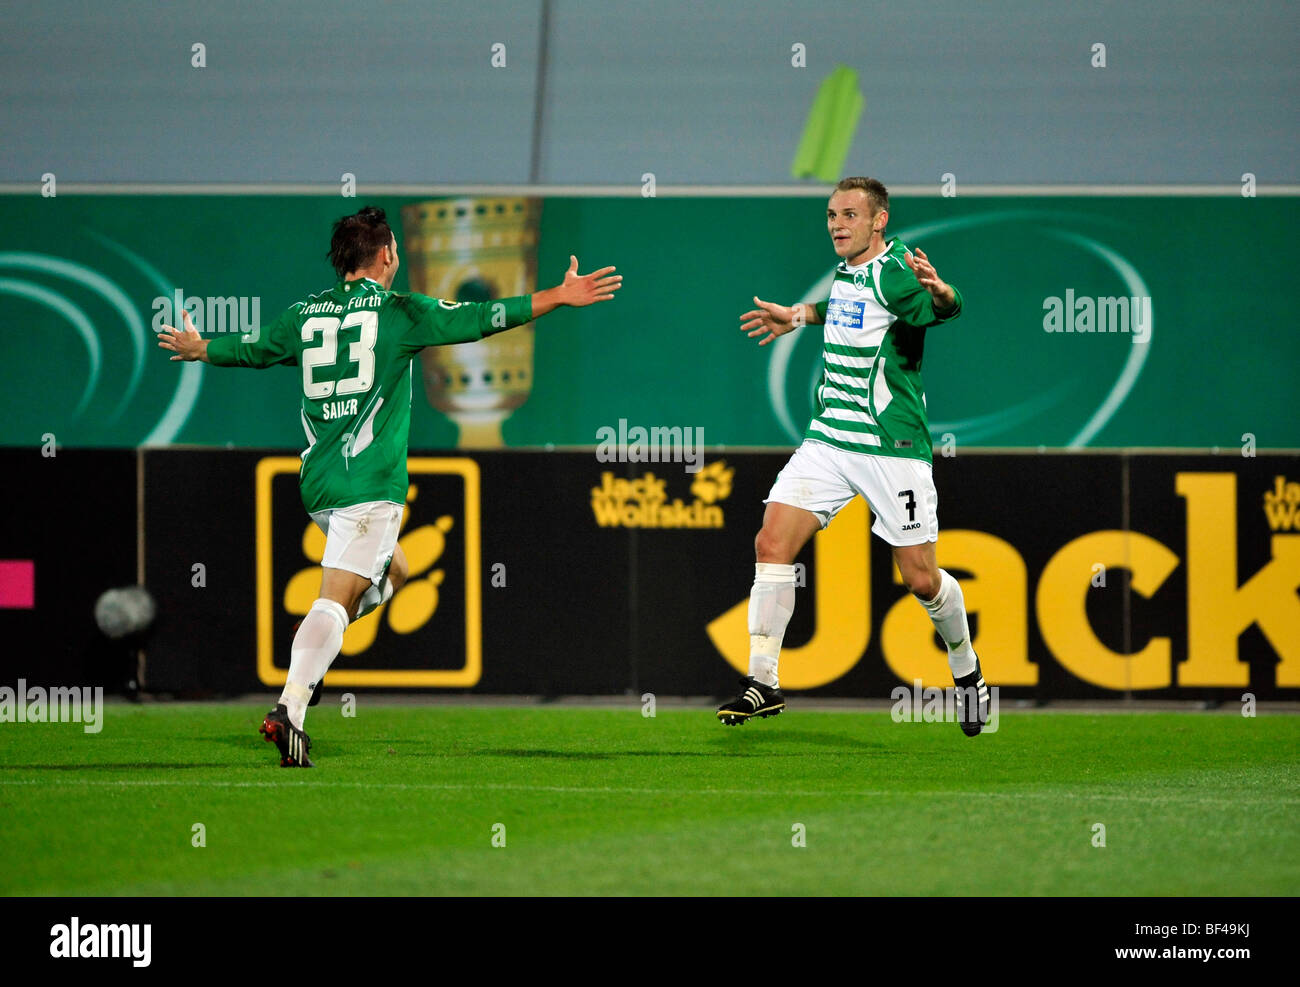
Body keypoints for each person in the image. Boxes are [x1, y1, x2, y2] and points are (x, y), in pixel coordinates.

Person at [158, 205, 621, 765]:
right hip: (368, 484)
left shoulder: (304, 316)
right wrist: (556, 296)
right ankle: (292, 706)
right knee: (335, 599)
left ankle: (315, 656)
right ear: (386, 256)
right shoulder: (402, 313)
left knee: (396, 570)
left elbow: (254, 351)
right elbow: (482, 316)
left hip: (322, 484)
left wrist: (201, 347)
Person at [719, 177, 988, 735]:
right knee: (771, 541)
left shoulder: (895, 273)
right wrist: (796, 315)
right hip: (829, 441)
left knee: (920, 579)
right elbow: (842, 308)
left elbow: (942, 308)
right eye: (830, 215)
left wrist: (942, 291)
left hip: (892, 449)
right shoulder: (848, 272)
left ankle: (966, 668)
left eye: (849, 214)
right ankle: (763, 682)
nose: (837, 224)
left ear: (878, 220)